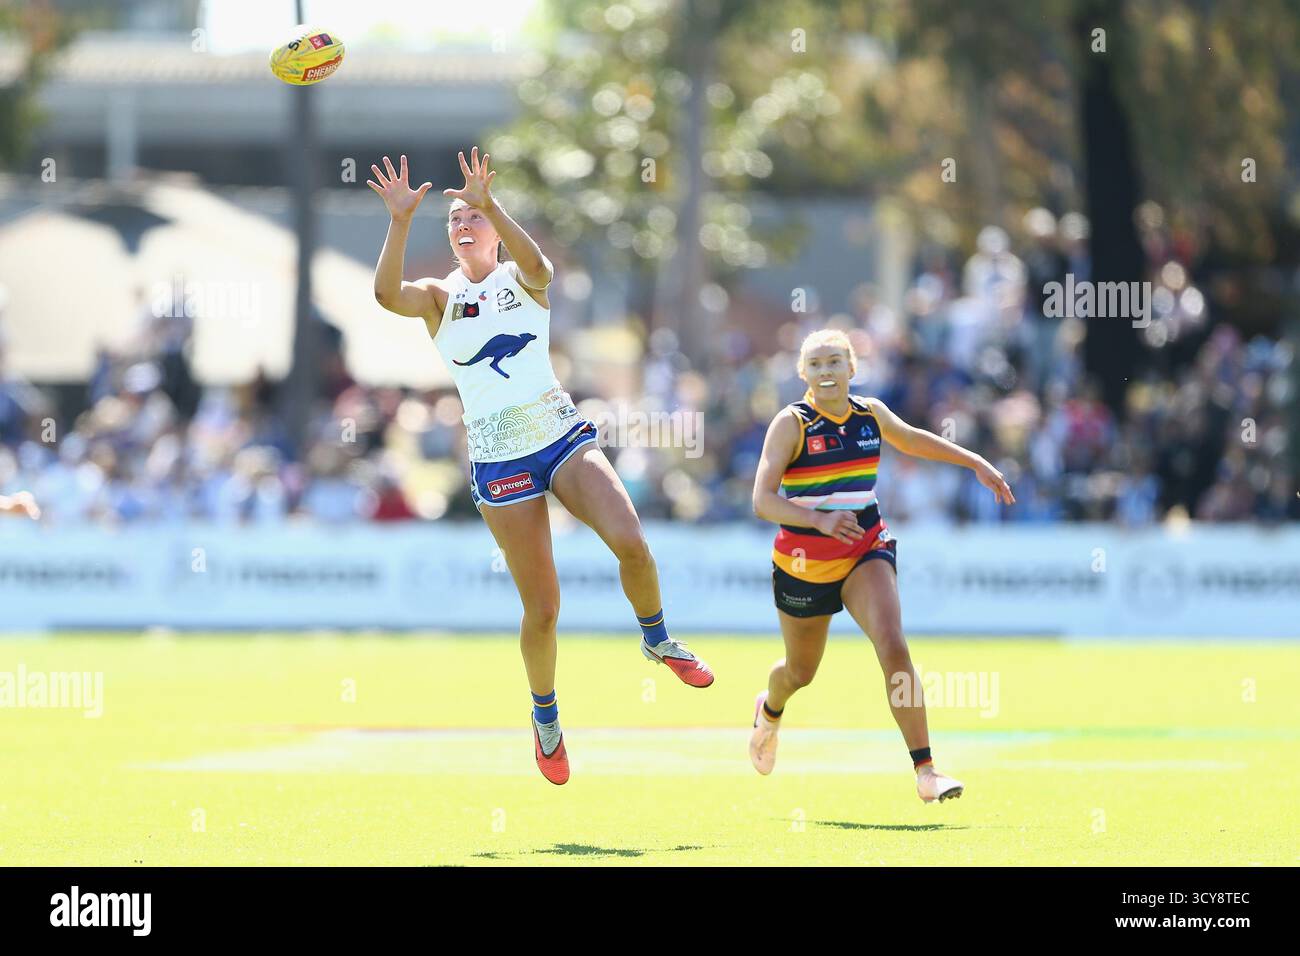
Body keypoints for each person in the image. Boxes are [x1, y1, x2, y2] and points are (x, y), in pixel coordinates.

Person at [369, 148, 714, 786]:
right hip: (498, 456)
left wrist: (492, 200)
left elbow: (541, 265)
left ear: (496, 227)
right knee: (544, 610)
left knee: (632, 542)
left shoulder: (520, 278)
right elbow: (388, 294)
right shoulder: (441, 297)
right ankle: (546, 719)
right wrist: (399, 221)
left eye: (474, 216)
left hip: (559, 435)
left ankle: (657, 636)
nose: (463, 225)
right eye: (455, 220)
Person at [750, 329, 1014, 803]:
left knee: (893, 644)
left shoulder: (871, 413)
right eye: (815, 364)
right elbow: (762, 500)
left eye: (834, 361)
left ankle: (926, 770)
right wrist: (819, 520)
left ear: (853, 368)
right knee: (799, 672)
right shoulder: (791, 424)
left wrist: (974, 461)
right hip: (804, 563)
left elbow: (911, 440)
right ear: (803, 374)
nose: (826, 371)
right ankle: (768, 712)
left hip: (865, 547)